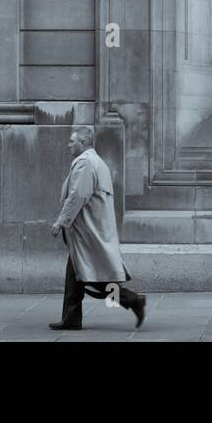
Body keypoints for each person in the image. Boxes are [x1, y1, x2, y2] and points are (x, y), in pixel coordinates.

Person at [49, 126, 146, 330]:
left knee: (95, 280)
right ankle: (72, 318)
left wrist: (61, 221)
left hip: (87, 234)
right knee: (78, 276)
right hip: (90, 232)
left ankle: (132, 300)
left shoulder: (85, 163)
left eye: (71, 141)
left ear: (83, 143)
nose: (68, 145)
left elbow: (77, 196)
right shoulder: (96, 162)